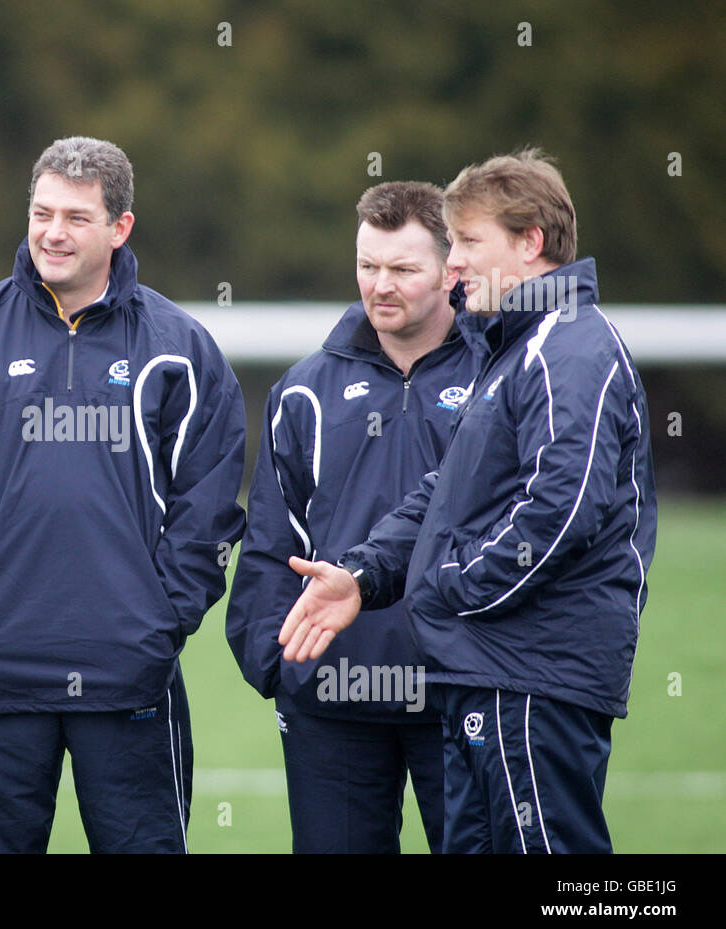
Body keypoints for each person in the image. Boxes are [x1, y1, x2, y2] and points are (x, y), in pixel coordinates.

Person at [0, 136, 246, 854]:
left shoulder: (180, 348)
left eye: (76, 217)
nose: (52, 232)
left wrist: (163, 619)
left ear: (120, 227)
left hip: (130, 673)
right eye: (42, 212)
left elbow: (210, 504)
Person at [279, 149, 657, 854]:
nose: (453, 263)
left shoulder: (568, 348)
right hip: (486, 668)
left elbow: (563, 508)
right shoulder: (511, 350)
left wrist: (453, 588)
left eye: (468, 242)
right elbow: (443, 497)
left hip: (532, 672)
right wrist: (363, 576)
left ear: (531, 243)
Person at [226, 181, 478, 853]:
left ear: (450, 270)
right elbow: (270, 543)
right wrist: (277, 664)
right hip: (330, 699)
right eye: (368, 265)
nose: (381, 284)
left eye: (403, 268)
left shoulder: (500, 380)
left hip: (461, 694)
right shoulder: (304, 390)